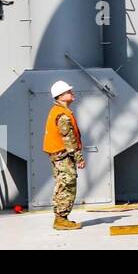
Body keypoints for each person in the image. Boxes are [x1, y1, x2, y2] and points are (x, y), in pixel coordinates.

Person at [42, 80, 85, 231]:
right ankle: (61, 219)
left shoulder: (58, 111)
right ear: (60, 97)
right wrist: (79, 158)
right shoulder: (63, 115)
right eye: (68, 92)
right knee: (67, 185)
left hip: (60, 155)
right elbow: (69, 140)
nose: (71, 93)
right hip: (63, 156)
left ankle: (61, 218)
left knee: (62, 184)